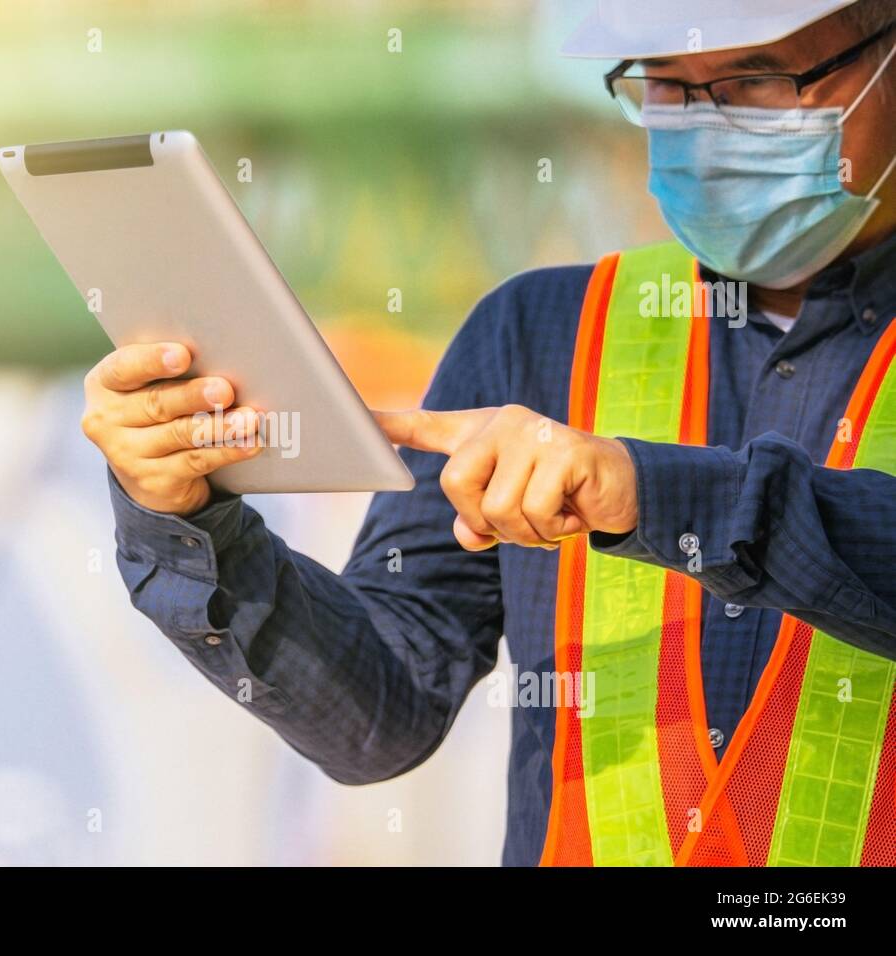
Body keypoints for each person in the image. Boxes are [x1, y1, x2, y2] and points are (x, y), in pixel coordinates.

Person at [79, 0, 896, 866]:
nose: (707, 126)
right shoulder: (537, 332)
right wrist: (189, 519)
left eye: (756, 77)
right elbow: (380, 715)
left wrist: (647, 492)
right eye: (667, 86)